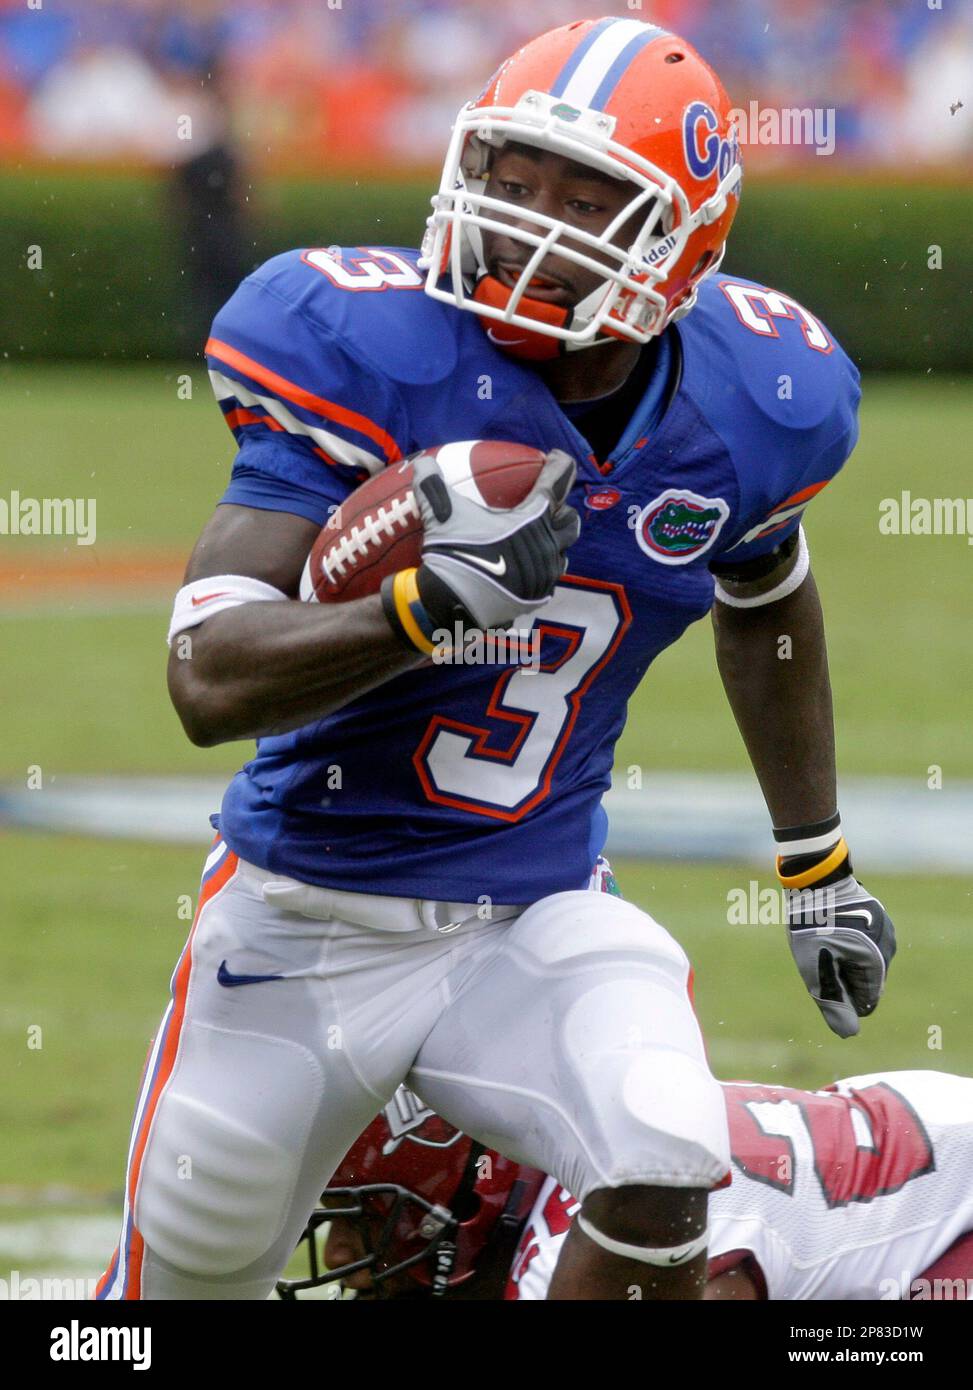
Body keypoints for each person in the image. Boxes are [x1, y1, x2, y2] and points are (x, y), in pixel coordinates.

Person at [96, 17, 895, 1302]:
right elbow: (207, 678)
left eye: (586, 201)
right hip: (300, 919)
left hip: (534, 912)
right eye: (511, 182)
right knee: (168, 1300)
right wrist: (414, 614)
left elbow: (769, 594)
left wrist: (816, 863)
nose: (528, 223)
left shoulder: (758, 399)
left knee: (664, 1142)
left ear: (680, 237)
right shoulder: (362, 347)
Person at [295, 1074, 973, 1303]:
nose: (338, 1255)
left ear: (469, 1195)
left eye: (369, 1216)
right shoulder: (584, 1175)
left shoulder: (584, 1257)